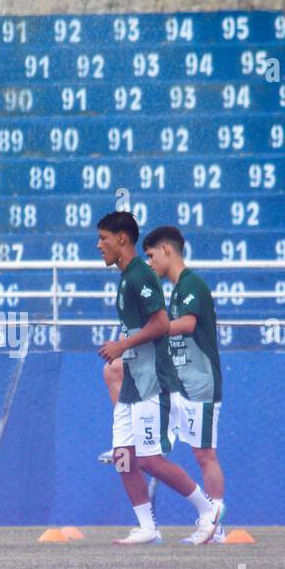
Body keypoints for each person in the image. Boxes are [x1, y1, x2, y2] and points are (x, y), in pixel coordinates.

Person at [96, 211, 221, 545]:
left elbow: (161, 324)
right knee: (123, 457)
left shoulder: (142, 276)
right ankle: (147, 527)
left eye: (104, 238)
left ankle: (208, 510)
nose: (99, 246)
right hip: (133, 382)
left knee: (149, 459)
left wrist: (122, 346)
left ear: (122, 239)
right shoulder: (126, 278)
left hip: (152, 381)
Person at [143, 224, 226, 544]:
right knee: (172, 451)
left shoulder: (193, 284)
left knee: (205, 454)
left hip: (200, 383)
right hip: (179, 383)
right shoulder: (176, 290)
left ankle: (215, 528)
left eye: (151, 256)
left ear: (167, 250)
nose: (150, 263)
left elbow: (188, 324)